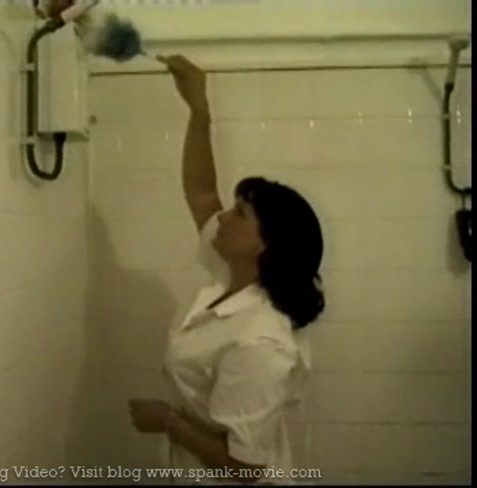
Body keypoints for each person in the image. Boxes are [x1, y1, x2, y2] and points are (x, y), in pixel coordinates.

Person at [127, 55, 325, 485]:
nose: (223, 217)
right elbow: (200, 192)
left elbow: (246, 467)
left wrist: (167, 420)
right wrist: (199, 109)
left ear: (264, 244)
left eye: (240, 213)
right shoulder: (232, 278)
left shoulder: (261, 341)